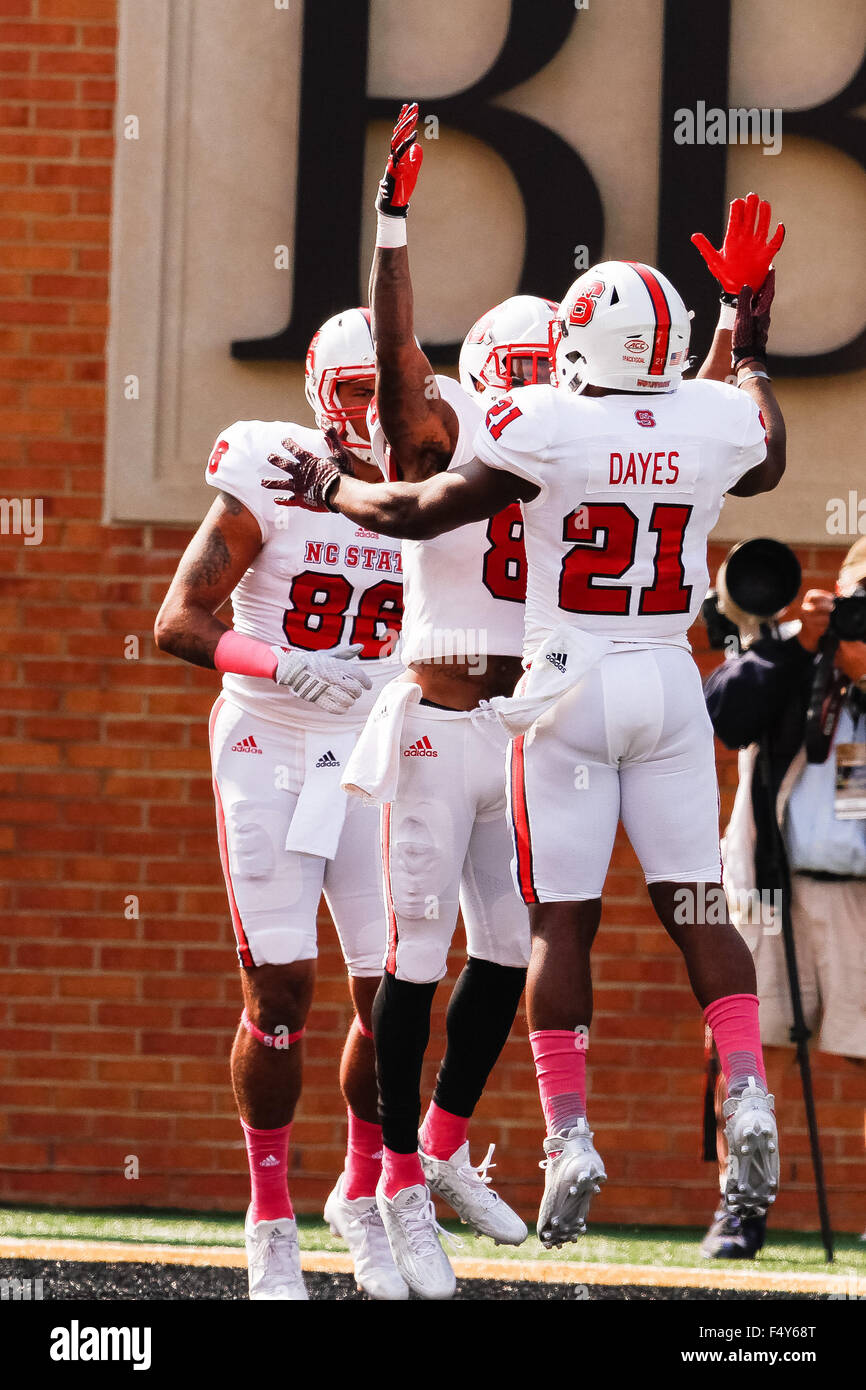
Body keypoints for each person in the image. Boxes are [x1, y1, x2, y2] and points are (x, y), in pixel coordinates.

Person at [265, 213, 788, 1248]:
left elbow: (414, 508)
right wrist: (749, 328)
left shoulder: (539, 421)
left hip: (565, 682)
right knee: (695, 906)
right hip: (670, 679)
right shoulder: (707, 416)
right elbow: (757, 448)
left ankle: (567, 1134)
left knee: (558, 922)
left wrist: (331, 487)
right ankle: (747, 1088)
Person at [267, 105, 557, 1298]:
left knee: (509, 954)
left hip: (521, 730)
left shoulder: (582, 443)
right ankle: (383, 1189)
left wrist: (730, 345)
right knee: (413, 965)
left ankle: (429, 1153)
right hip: (437, 723)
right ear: (491, 371)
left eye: (562, 368)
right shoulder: (449, 422)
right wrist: (392, 224)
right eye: (531, 370)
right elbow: (396, 366)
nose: (548, 386)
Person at [154, 308, 409, 1301]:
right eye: (352, 391)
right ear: (316, 393)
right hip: (270, 736)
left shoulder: (432, 479)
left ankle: (363, 1187)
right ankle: (268, 1220)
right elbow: (178, 618)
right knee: (281, 997)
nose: (371, 412)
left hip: (374, 745)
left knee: (393, 992)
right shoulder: (277, 471)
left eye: (385, 391)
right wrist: (281, 663)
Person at [700, 537, 866, 1257]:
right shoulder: (794, 653)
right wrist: (801, 646)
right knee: (746, 1055)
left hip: (857, 896)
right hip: (769, 886)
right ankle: (741, 1207)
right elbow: (725, 713)